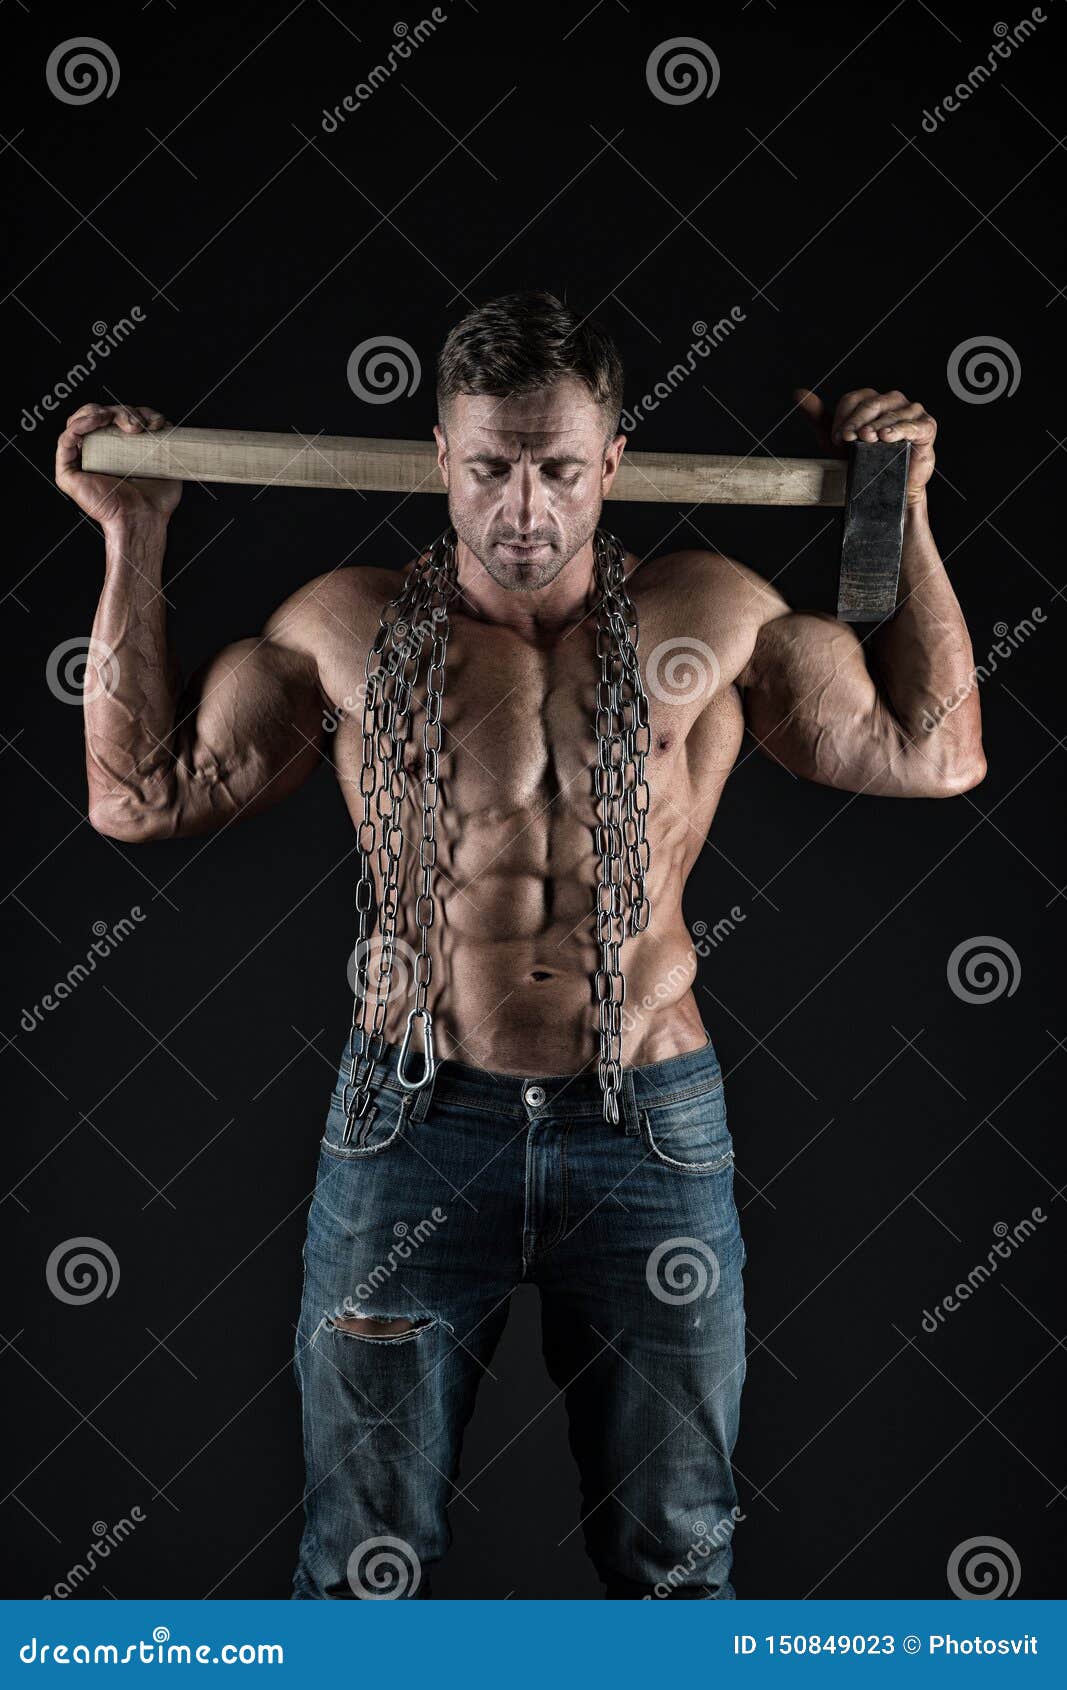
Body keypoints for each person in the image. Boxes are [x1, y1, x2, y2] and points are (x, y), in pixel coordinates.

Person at [56, 291, 985, 1599]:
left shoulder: (713, 615)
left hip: (648, 1123)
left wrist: (910, 509)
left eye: (558, 466)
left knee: (675, 1562)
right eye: (491, 466)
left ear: (613, 460)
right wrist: (133, 538)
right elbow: (137, 794)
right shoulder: (346, 626)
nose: (524, 506)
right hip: (412, 1124)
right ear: (442, 455)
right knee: (360, 1568)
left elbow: (933, 750)